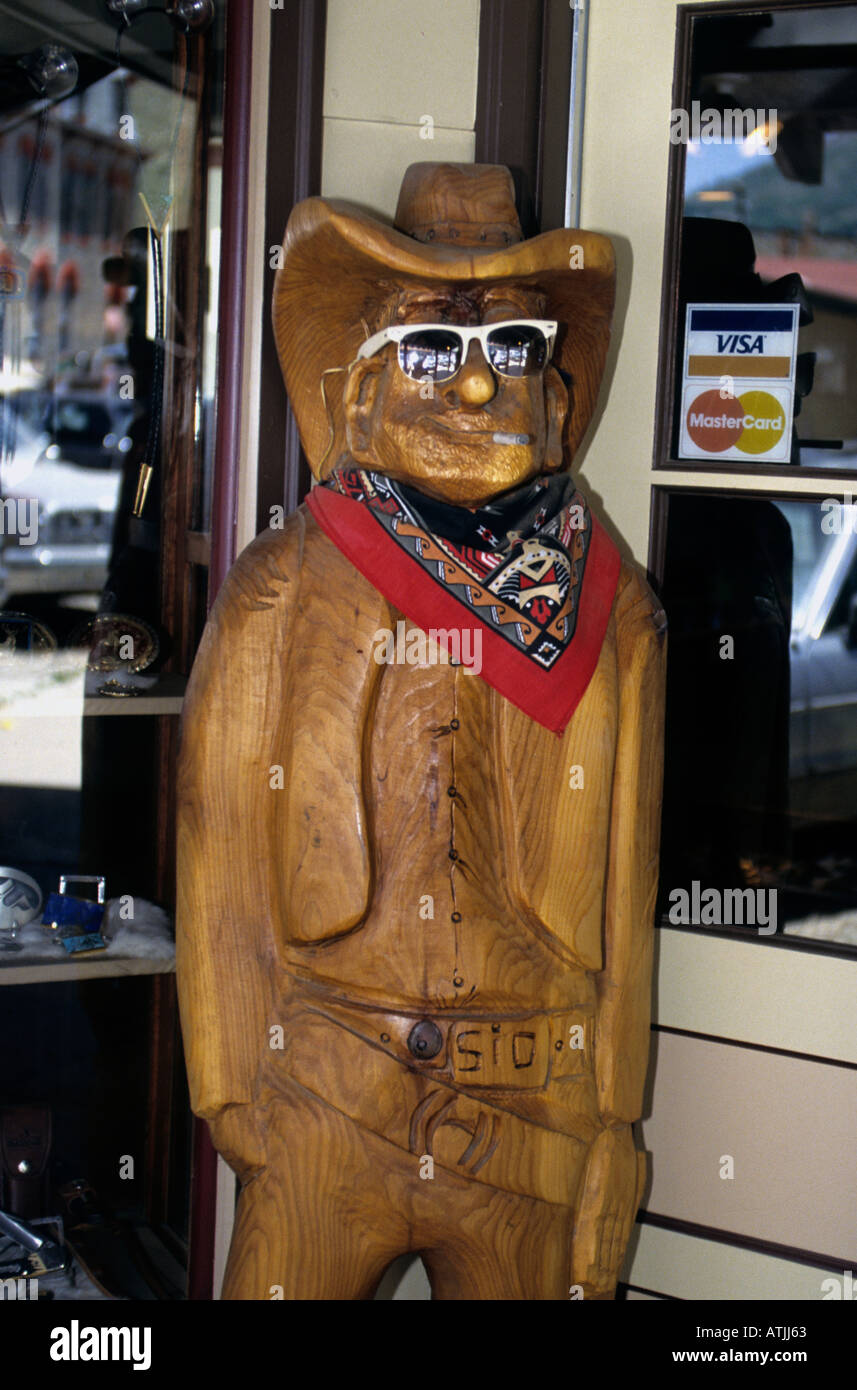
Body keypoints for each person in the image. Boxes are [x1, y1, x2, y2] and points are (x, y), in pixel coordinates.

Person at [177, 163, 666, 1300]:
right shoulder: (279, 587)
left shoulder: (611, 605)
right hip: (327, 1097)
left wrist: (618, 1127)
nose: (479, 390)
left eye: (513, 347)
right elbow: (217, 848)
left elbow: (629, 884)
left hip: (536, 1111)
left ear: (556, 390)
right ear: (359, 386)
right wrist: (229, 1088)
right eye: (434, 350)